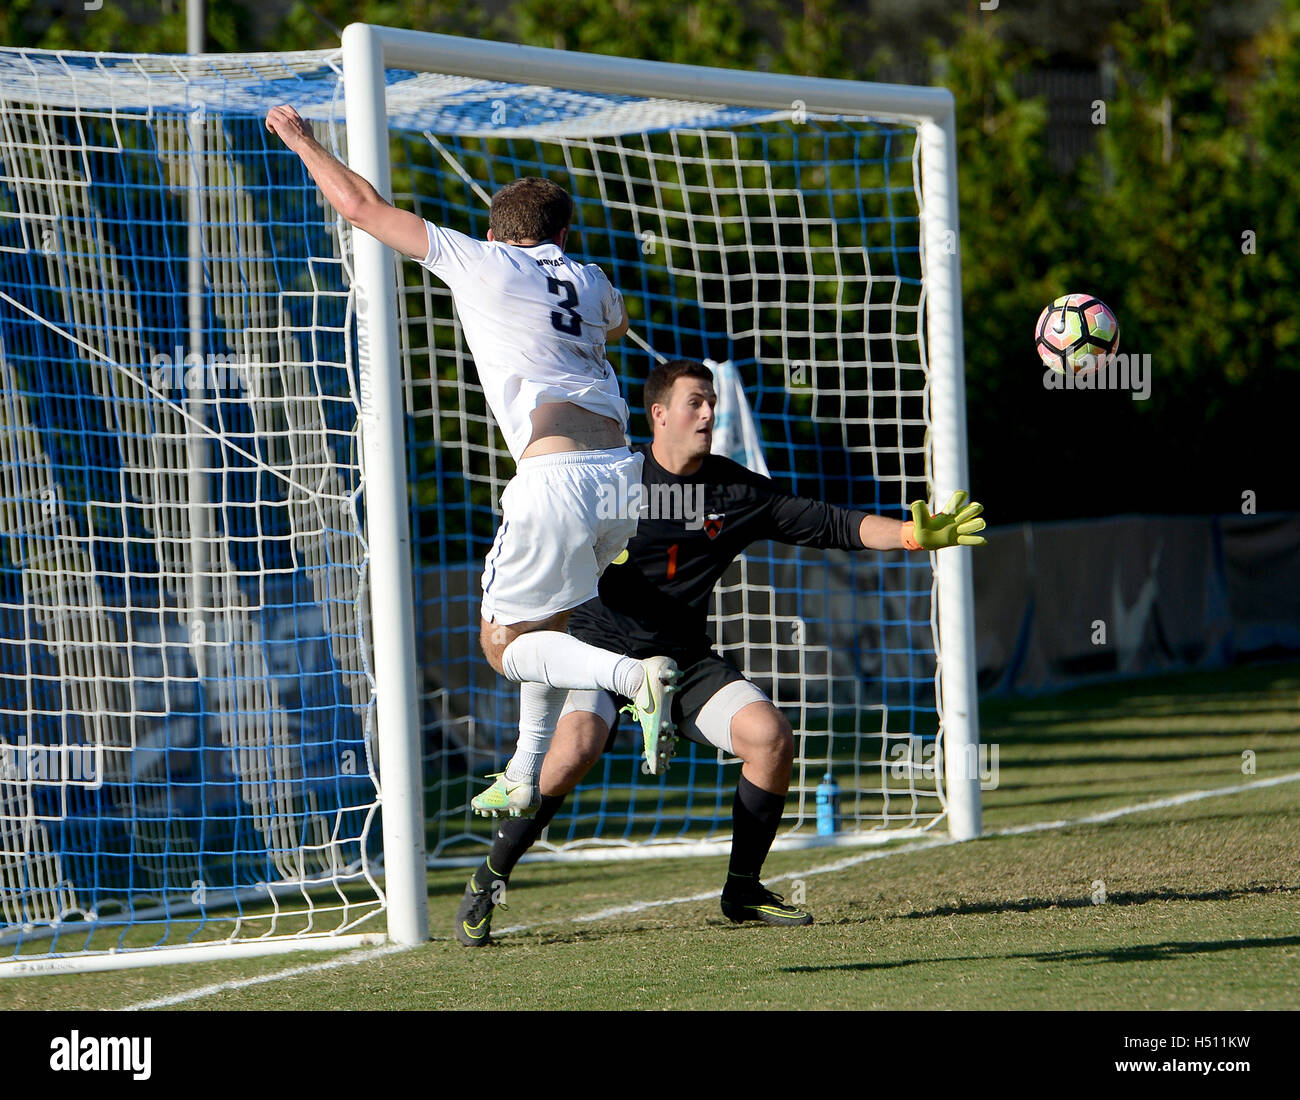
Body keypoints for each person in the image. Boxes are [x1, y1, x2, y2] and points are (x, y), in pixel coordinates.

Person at [454, 358, 987, 944]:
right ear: (658, 415)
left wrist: (912, 535)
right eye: (694, 402)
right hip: (597, 647)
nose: (708, 412)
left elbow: (828, 522)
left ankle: (743, 888)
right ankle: (489, 880)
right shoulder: (608, 481)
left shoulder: (733, 490)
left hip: (681, 656)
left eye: (711, 402)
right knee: (575, 747)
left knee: (770, 738)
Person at [264, 106, 681, 819]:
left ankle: (632, 678)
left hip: (556, 482)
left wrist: (303, 141)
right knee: (548, 623)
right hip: (624, 478)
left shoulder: (482, 260)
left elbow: (362, 207)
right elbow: (618, 322)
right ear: (563, 234)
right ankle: (523, 768)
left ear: (495, 234)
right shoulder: (590, 275)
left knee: (502, 644)